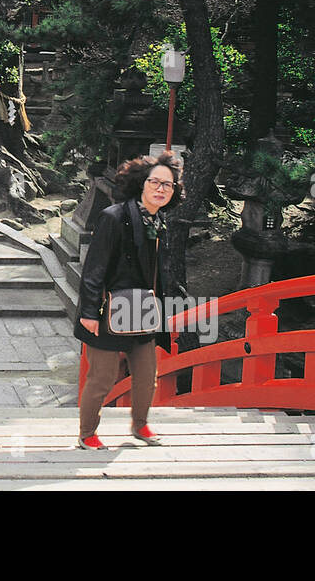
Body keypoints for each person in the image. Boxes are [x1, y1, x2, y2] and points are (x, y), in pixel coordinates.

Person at [74, 152, 183, 450]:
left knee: (148, 376)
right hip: (109, 309)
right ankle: (87, 433)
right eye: (155, 182)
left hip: (144, 310)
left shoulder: (160, 221)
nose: (161, 189)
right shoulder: (114, 217)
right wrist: (88, 313)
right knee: (102, 378)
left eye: (168, 185)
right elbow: (94, 267)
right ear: (141, 183)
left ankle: (140, 424)